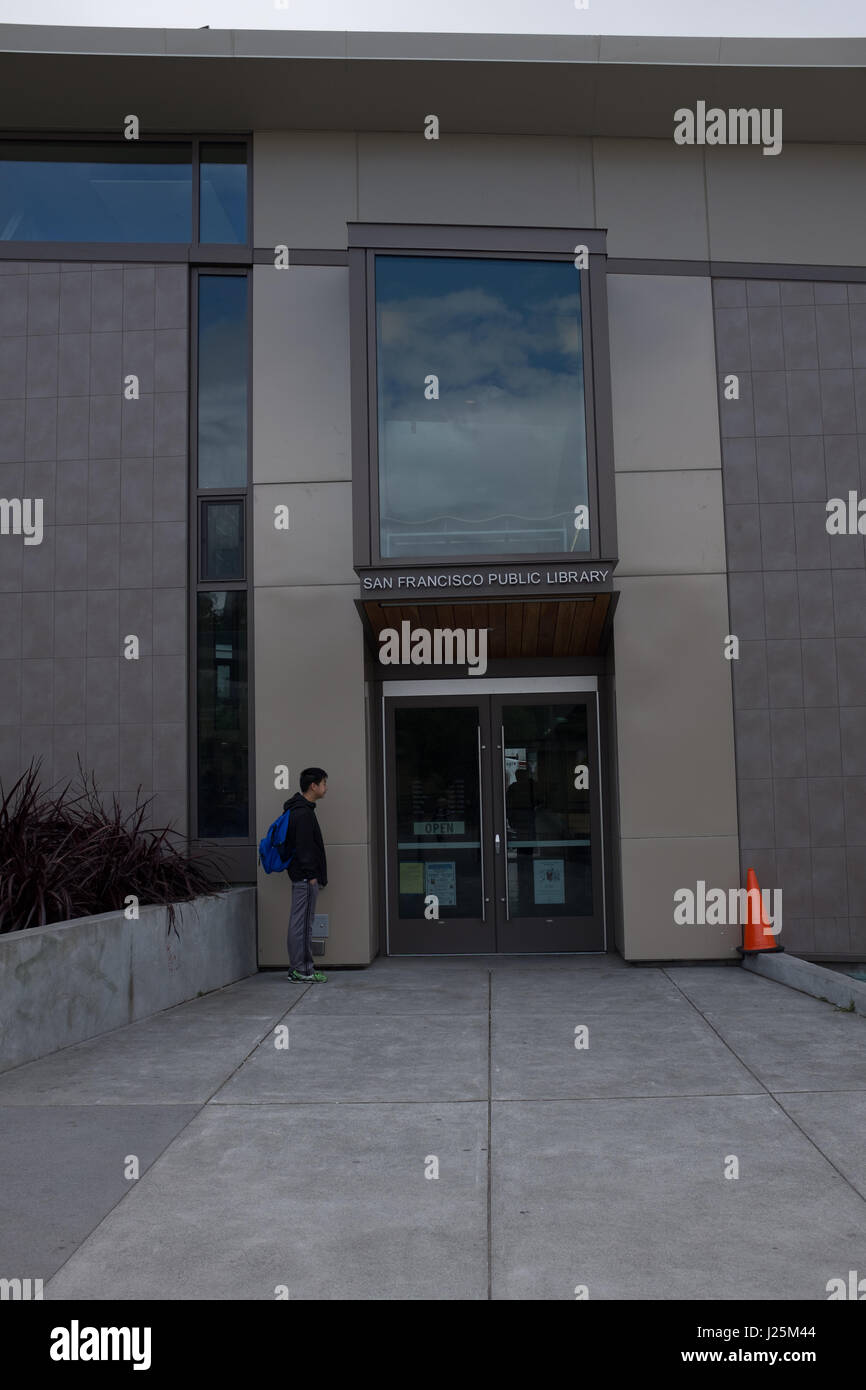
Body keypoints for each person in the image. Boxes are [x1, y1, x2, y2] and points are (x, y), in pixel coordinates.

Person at [283, 767, 329, 983]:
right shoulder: (303, 813)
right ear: (313, 786)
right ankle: (303, 970)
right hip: (304, 877)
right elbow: (304, 848)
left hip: (301, 876)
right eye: (324, 783)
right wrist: (312, 876)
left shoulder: (299, 809)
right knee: (302, 925)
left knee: (299, 922)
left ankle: (298, 968)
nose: (326, 787)